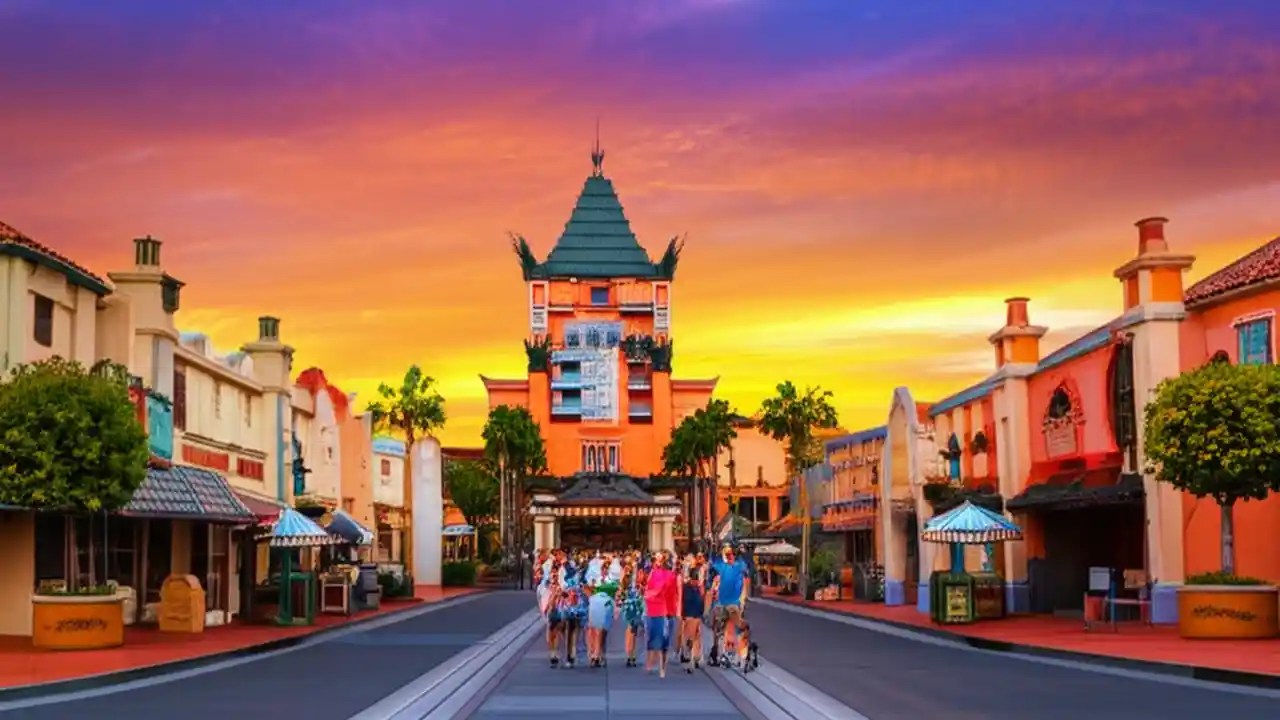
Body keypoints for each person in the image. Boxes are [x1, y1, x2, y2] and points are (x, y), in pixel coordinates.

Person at [708, 543, 751, 667]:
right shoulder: (723, 566)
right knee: (719, 628)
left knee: (731, 628)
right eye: (727, 554)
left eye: (730, 554)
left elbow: (745, 576)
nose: (729, 556)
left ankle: (736, 654)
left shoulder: (737, 567)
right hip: (723, 603)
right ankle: (721, 653)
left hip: (732, 603)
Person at [643, 549, 680, 678]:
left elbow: (673, 593)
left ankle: (662, 667)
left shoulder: (671, 575)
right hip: (653, 609)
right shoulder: (653, 573)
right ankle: (650, 663)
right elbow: (648, 590)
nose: (658, 562)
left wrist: (677, 610)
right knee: (652, 636)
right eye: (657, 559)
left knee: (664, 640)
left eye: (660, 559)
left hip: (665, 610)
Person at [679, 554, 706, 673]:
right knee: (693, 631)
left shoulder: (695, 573)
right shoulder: (690, 574)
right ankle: (692, 656)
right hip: (692, 602)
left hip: (693, 602)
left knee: (694, 631)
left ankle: (693, 656)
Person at [619, 558, 646, 667]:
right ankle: (630, 654)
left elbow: (642, 591)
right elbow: (621, 592)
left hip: (636, 605)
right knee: (631, 629)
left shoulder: (638, 579)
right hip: (630, 605)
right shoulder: (626, 578)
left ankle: (631, 654)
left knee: (633, 630)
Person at [586, 578, 616, 667]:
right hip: (595, 604)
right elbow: (586, 589)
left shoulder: (609, 579)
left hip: (603, 605)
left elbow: (615, 589)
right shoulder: (591, 573)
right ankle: (594, 654)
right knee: (594, 632)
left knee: (600, 633)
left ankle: (597, 655)